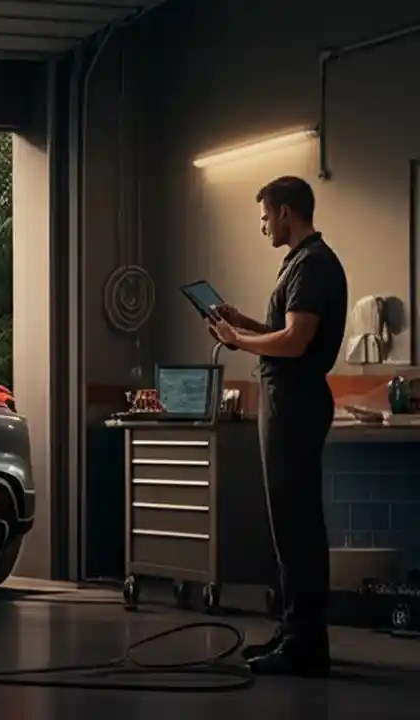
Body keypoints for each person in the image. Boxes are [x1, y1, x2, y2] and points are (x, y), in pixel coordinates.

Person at [207, 175, 346, 677]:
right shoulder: (302, 266)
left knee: (297, 526)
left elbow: (295, 343)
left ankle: (305, 646)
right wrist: (241, 322)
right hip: (289, 402)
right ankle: (294, 633)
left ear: (286, 212)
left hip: (295, 405)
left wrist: (237, 341)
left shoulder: (312, 265)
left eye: (266, 214)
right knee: (290, 524)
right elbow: (286, 331)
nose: (262, 223)